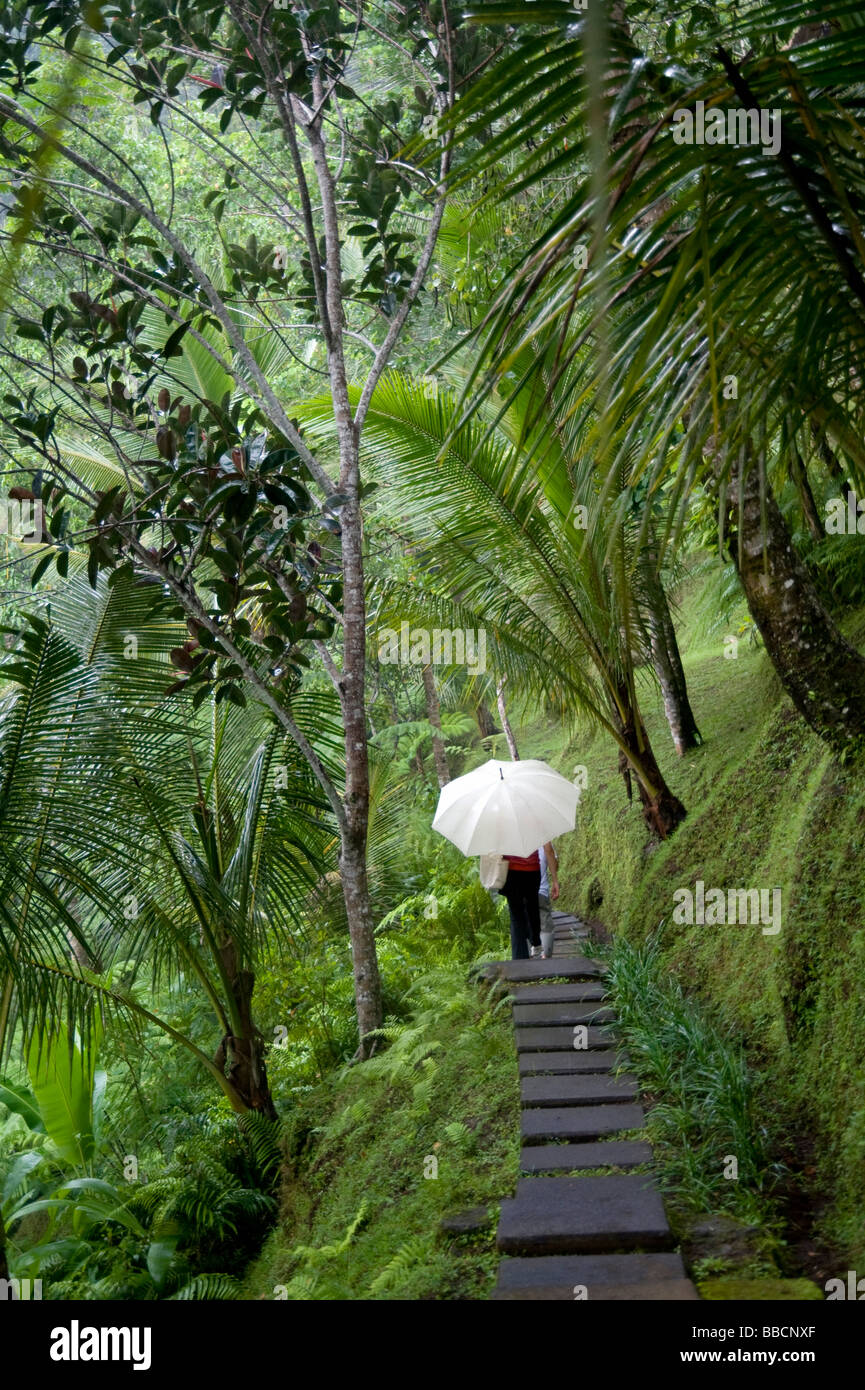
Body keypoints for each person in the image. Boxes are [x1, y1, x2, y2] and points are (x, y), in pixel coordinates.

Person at [500, 841, 559, 961]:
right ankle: (537, 946)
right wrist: (555, 880)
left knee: (517, 917)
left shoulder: (502, 822)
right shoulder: (536, 821)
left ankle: (520, 959)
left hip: (511, 871)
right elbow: (548, 849)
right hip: (532, 870)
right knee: (533, 910)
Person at [538, 842, 560, 959]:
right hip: (540, 890)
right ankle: (545, 955)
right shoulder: (544, 838)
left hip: (521, 891)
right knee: (545, 920)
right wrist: (555, 881)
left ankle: (526, 957)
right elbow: (554, 863)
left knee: (523, 921)